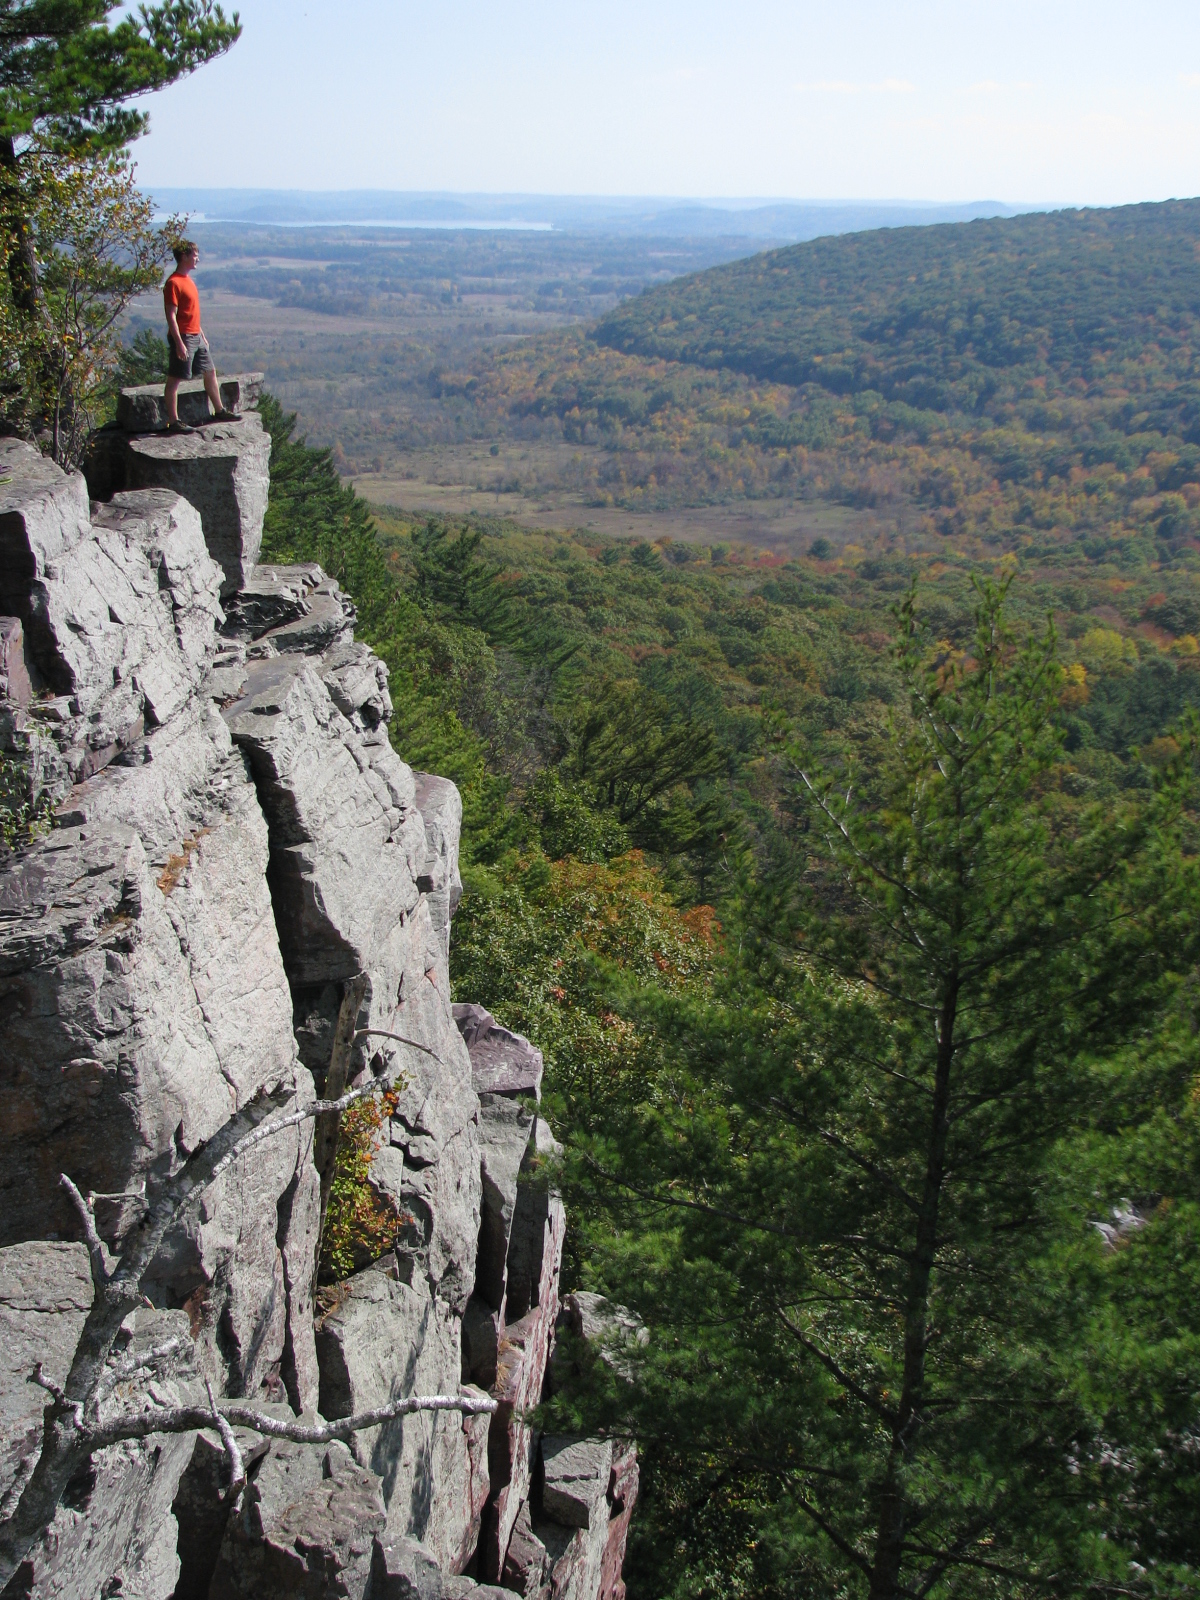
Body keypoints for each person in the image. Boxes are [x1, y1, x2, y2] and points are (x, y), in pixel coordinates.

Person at [163, 240, 240, 434]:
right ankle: (173, 421)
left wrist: (201, 333)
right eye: (194, 255)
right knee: (175, 379)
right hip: (184, 336)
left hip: (196, 335)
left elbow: (191, 312)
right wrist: (179, 342)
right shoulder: (173, 283)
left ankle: (220, 410)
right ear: (184, 256)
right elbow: (171, 315)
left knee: (210, 371)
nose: (197, 258)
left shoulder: (188, 280)